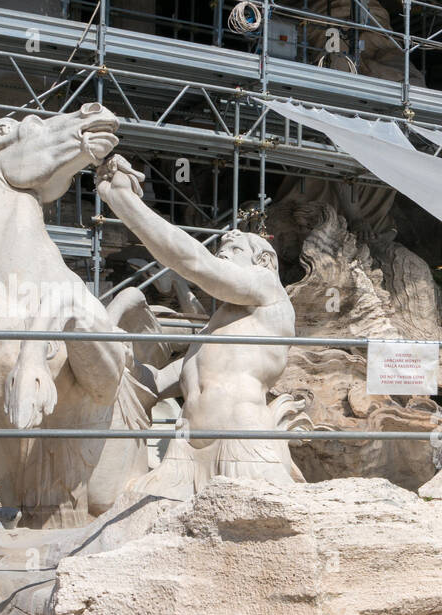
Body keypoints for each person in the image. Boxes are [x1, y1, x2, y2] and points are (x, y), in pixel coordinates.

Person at [96, 154, 303, 493]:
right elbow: (159, 382)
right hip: (185, 447)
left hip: (240, 438)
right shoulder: (214, 331)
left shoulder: (270, 292)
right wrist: (114, 351)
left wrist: (123, 201)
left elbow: (196, 263)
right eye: (220, 252)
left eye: (232, 251)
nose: (221, 258)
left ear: (264, 261)